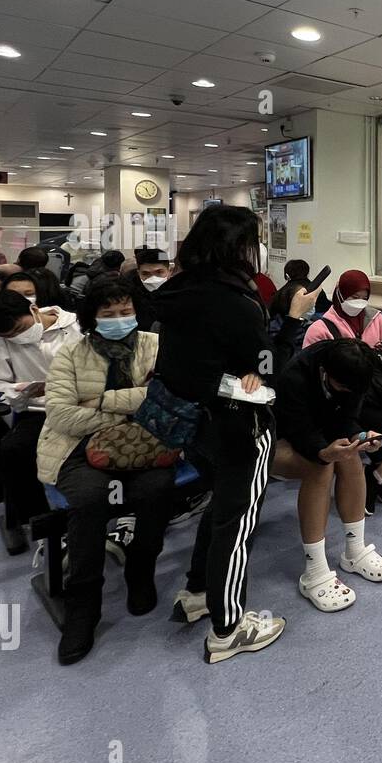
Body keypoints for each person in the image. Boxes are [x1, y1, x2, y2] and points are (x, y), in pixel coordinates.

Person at [153, 204, 289, 663]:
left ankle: (197, 591)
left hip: (197, 423)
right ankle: (228, 628)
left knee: (218, 510)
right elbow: (268, 368)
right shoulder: (234, 299)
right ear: (239, 246)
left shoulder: (179, 289)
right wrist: (289, 319)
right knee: (238, 521)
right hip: (240, 425)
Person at [35, 274, 175, 665]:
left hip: (145, 446)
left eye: (125, 310)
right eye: (108, 312)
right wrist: (124, 417)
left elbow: (164, 396)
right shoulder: (72, 353)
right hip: (78, 447)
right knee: (89, 500)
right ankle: (83, 604)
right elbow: (61, 413)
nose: (118, 318)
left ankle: (140, 572)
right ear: (91, 317)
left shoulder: (155, 345)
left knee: (156, 490)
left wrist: (103, 399)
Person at [273, 337, 382, 612]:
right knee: (321, 467)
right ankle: (314, 571)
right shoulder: (294, 376)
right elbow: (299, 433)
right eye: (343, 387)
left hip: (316, 434)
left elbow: (346, 419)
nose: (349, 393)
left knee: (351, 456)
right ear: (325, 374)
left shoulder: (354, 373)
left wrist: (361, 436)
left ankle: (354, 551)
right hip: (276, 440)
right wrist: (324, 452)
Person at [303, 270, 382, 514]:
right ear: (339, 294)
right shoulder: (321, 328)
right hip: (349, 395)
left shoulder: (374, 317)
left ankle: (380, 474)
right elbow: (311, 371)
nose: (358, 302)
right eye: (353, 296)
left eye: (363, 297)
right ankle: (378, 466)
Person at [0, 289, 83, 553]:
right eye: (8, 336)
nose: (16, 338)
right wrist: (19, 389)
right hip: (41, 412)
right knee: (12, 451)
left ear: (33, 310)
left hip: (87, 405)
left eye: (18, 329)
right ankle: (41, 523)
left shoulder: (78, 325)